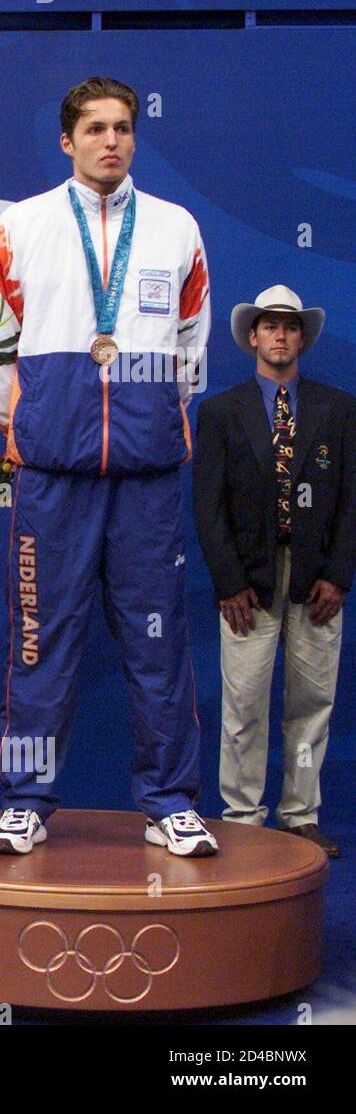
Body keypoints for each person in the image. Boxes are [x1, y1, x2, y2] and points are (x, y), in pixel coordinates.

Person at [0, 77, 217, 855]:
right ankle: (27, 801)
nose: (112, 140)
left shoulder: (176, 228)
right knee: (41, 642)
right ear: (68, 140)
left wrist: (152, 422)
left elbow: (191, 344)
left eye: (124, 128)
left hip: (146, 477)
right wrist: (29, 419)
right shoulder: (24, 224)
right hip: (53, 474)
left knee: (159, 645)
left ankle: (171, 802)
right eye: (96, 129)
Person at [194, 286, 353, 859]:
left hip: (317, 583)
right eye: (270, 326)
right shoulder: (219, 412)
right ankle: (241, 816)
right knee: (244, 706)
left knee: (312, 704)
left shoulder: (338, 410)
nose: (280, 335)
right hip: (249, 583)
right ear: (253, 337)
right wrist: (228, 581)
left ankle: (301, 814)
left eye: (289, 326)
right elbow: (207, 506)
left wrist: (339, 573)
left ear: (302, 338)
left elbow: (351, 499)